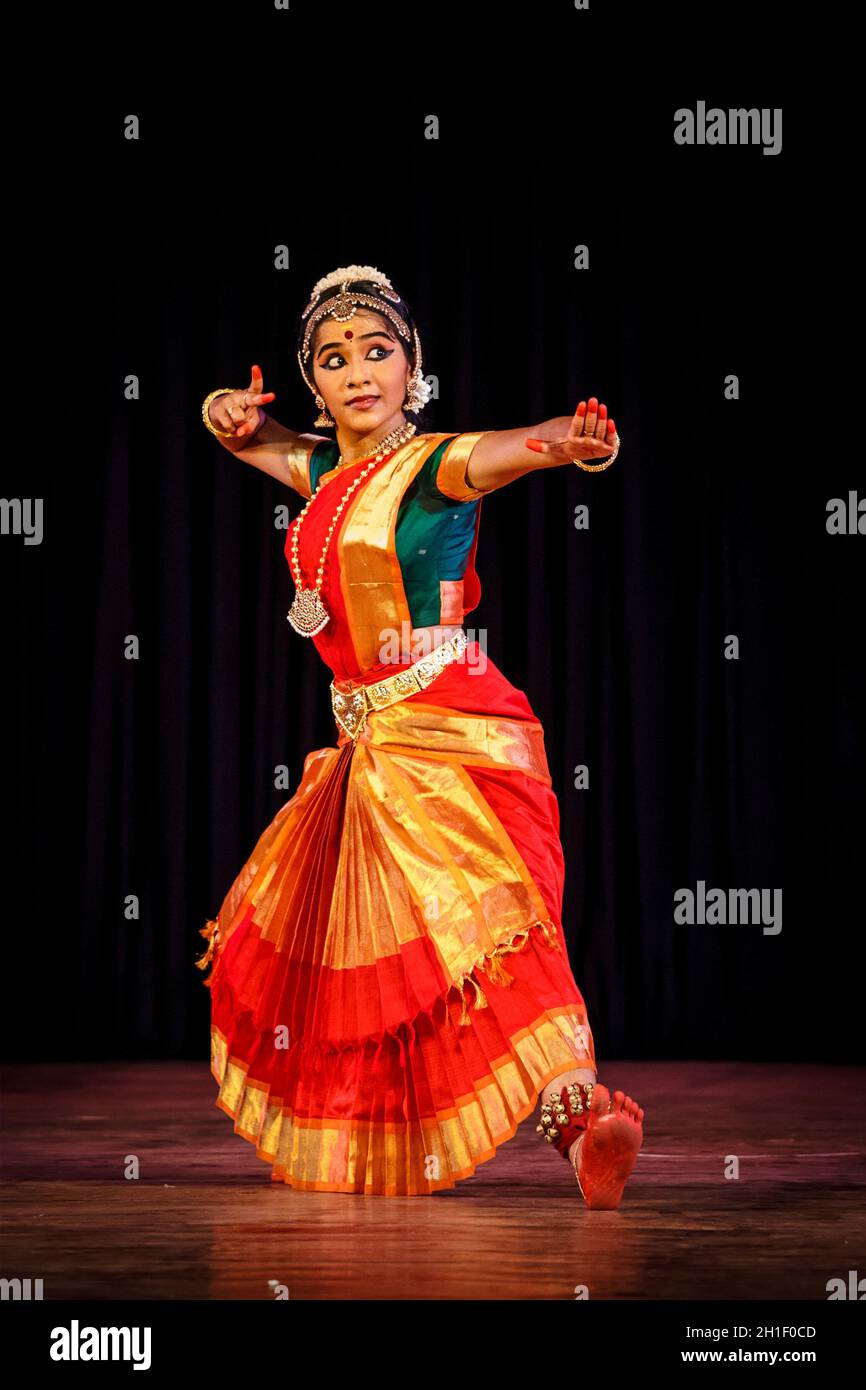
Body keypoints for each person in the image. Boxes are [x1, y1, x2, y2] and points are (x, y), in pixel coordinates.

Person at [196, 264, 644, 1205]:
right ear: (312, 382)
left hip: (450, 727)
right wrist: (222, 411)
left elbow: (513, 451)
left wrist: (577, 444)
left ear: (413, 368)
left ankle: (577, 1121)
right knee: (393, 955)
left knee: (496, 927)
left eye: (378, 351)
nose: (359, 371)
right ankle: (399, 1134)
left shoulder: (434, 461)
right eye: (333, 358)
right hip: (370, 746)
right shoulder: (325, 468)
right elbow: (262, 444)